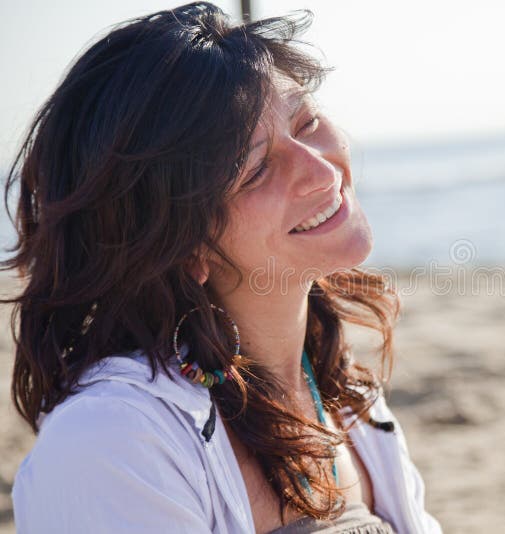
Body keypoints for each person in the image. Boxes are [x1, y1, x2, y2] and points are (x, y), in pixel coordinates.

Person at [3, 3, 441, 533]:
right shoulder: (111, 444)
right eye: (256, 171)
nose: (323, 171)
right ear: (183, 247)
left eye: (307, 122)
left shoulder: (347, 397)